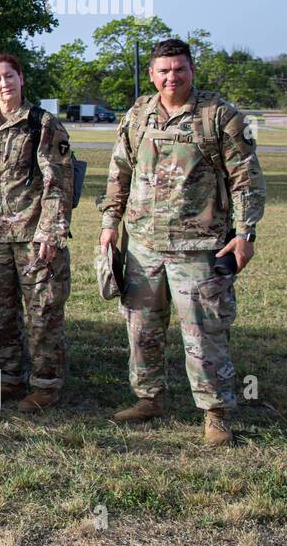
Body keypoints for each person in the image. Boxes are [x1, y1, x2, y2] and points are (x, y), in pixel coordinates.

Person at [100, 38, 265, 446]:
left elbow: (247, 180)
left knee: (203, 332)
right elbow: (119, 173)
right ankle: (148, 397)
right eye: (163, 71)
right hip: (143, 245)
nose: (171, 77)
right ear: (153, 74)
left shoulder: (220, 116)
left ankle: (216, 411)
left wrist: (244, 234)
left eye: (179, 69)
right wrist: (109, 224)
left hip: (199, 246)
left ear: (192, 70)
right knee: (141, 329)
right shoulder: (139, 114)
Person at [0, 54, 72, 412]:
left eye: (10, 76)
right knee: (0, 314)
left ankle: (45, 384)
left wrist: (50, 234)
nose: (4, 84)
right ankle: (9, 378)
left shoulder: (42, 124)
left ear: (21, 79)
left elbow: (58, 183)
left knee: (42, 313)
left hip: (32, 238)